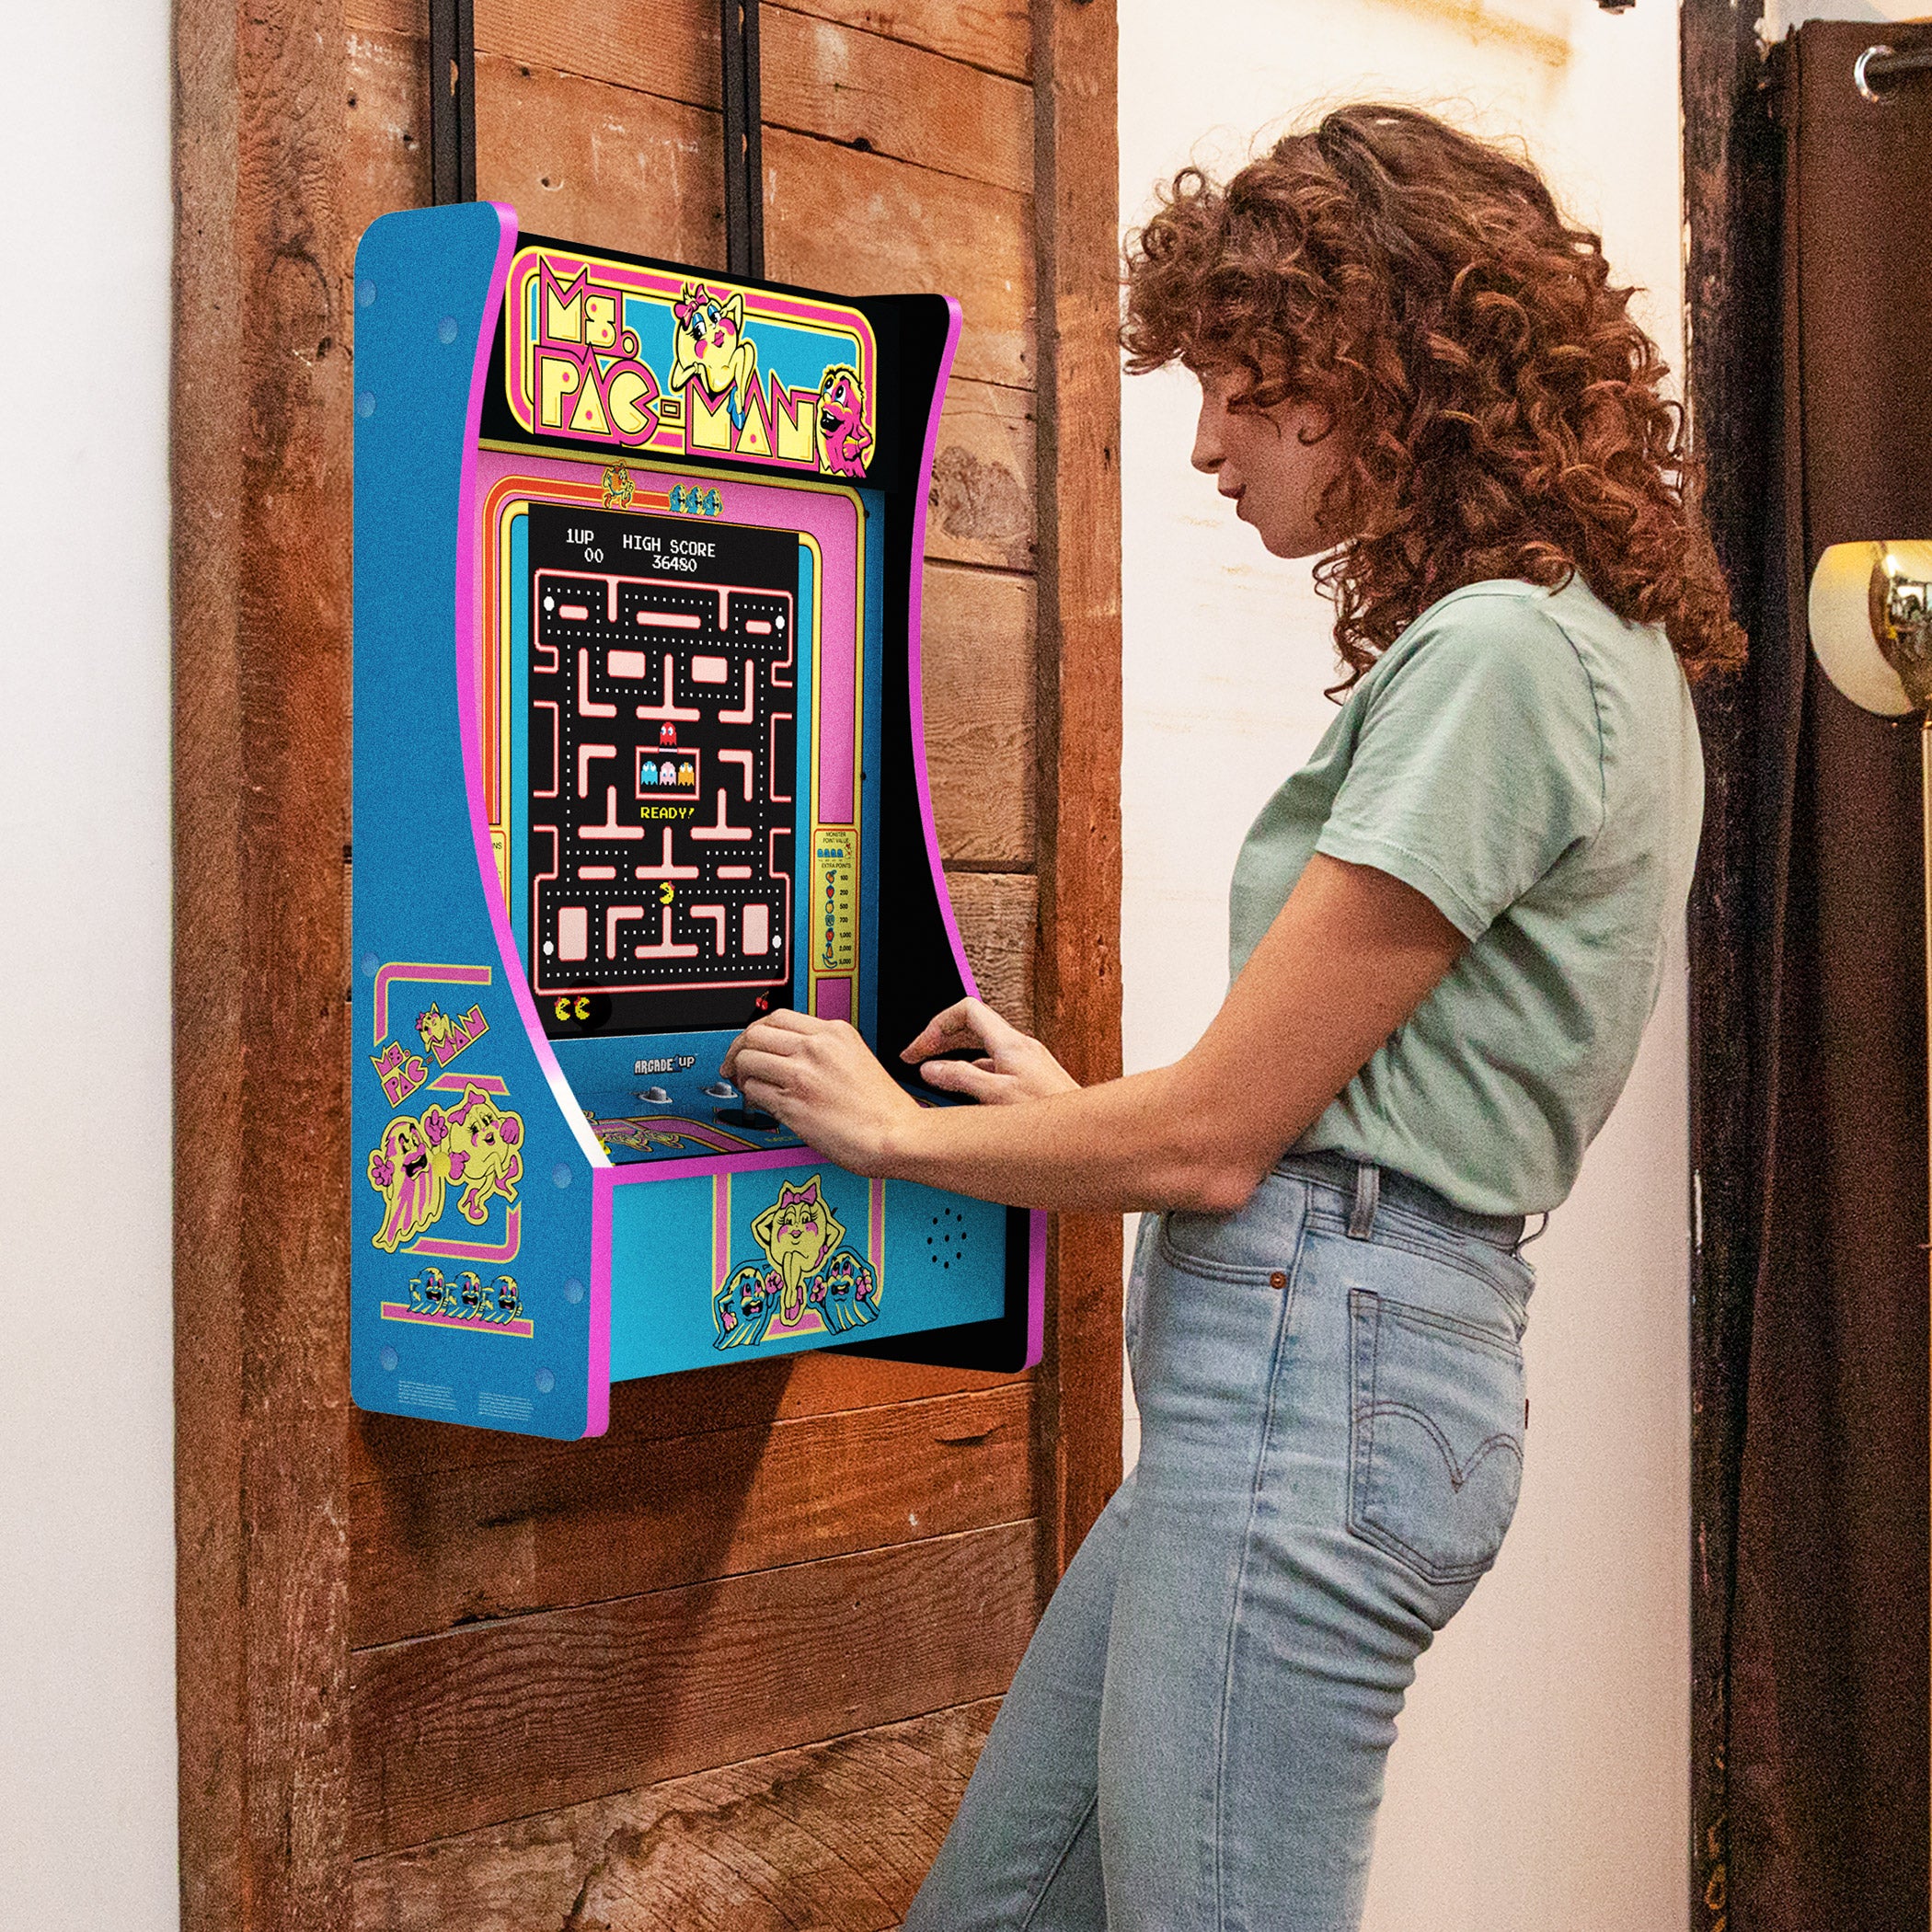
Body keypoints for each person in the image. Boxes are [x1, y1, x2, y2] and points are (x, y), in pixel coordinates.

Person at [722, 102, 1739, 1932]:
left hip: (1313, 1375)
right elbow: (1306, 1103)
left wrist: (896, 1134)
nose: (1204, 443)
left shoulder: (1505, 654)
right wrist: (1062, 1113)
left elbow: (1213, 1141)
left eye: (1245, 388)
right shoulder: (1591, 642)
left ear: (1391, 373)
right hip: (1318, 1363)